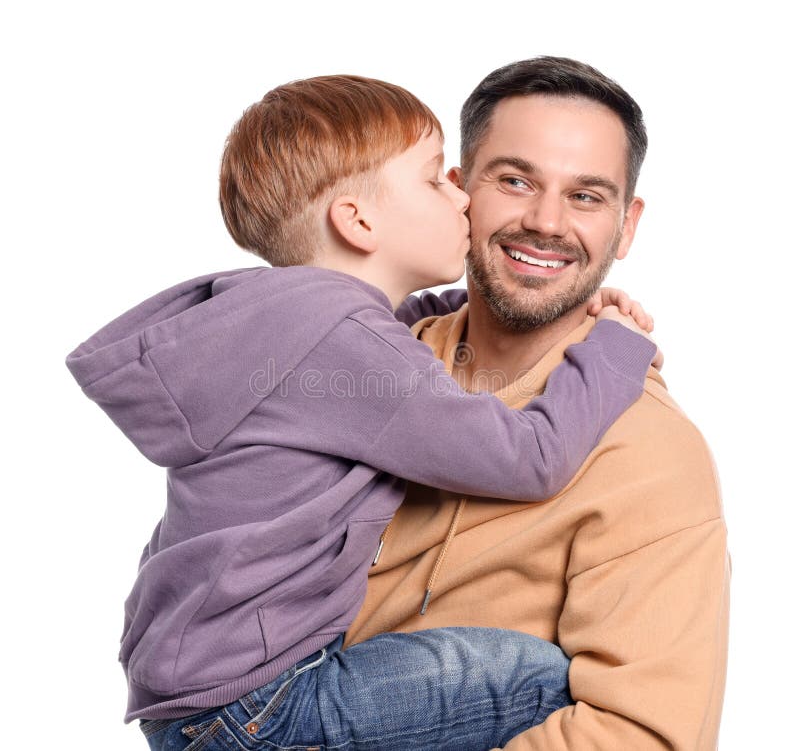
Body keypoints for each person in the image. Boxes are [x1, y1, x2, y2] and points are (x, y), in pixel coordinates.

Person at [65, 75, 658, 750]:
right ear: (359, 221)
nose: (463, 198)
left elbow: (373, 356)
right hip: (264, 705)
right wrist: (616, 348)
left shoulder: (286, 317)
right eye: (437, 180)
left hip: (190, 699)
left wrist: (455, 314)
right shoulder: (344, 350)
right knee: (536, 676)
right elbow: (530, 458)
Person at [346, 57, 730, 750]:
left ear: (626, 224)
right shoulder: (362, 364)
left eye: (586, 196)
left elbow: (641, 735)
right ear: (457, 194)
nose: (546, 222)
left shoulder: (647, 452)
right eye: (516, 180)